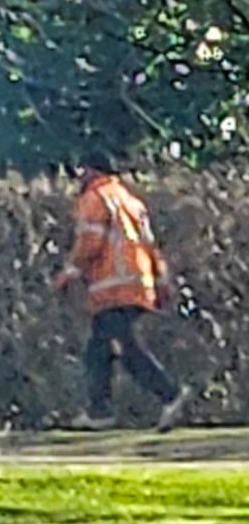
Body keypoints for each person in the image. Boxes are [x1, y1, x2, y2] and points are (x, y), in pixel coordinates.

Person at [51, 154, 193, 432]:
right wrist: (161, 282)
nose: (78, 177)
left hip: (113, 285)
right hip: (138, 282)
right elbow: (149, 245)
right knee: (99, 349)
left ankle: (169, 394)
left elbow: (90, 242)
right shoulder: (130, 200)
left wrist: (69, 273)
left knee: (125, 346)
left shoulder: (95, 197)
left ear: (91, 170)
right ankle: (99, 410)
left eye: (81, 171)